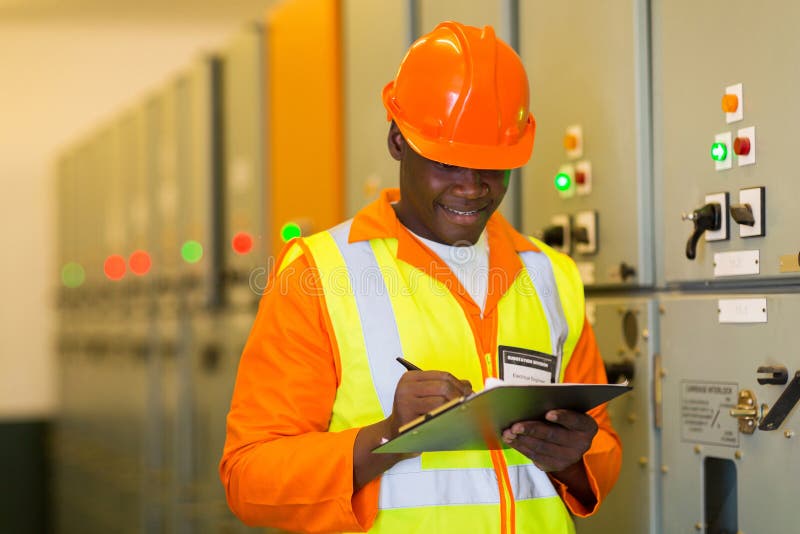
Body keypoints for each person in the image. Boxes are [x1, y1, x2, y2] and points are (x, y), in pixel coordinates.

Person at [220, 21, 621, 534]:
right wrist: (386, 436)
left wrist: (571, 459)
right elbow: (249, 477)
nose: (472, 189)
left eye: (492, 167)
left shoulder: (550, 275)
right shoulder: (319, 275)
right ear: (397, 140)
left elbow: (603, 450)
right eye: (450, 162)